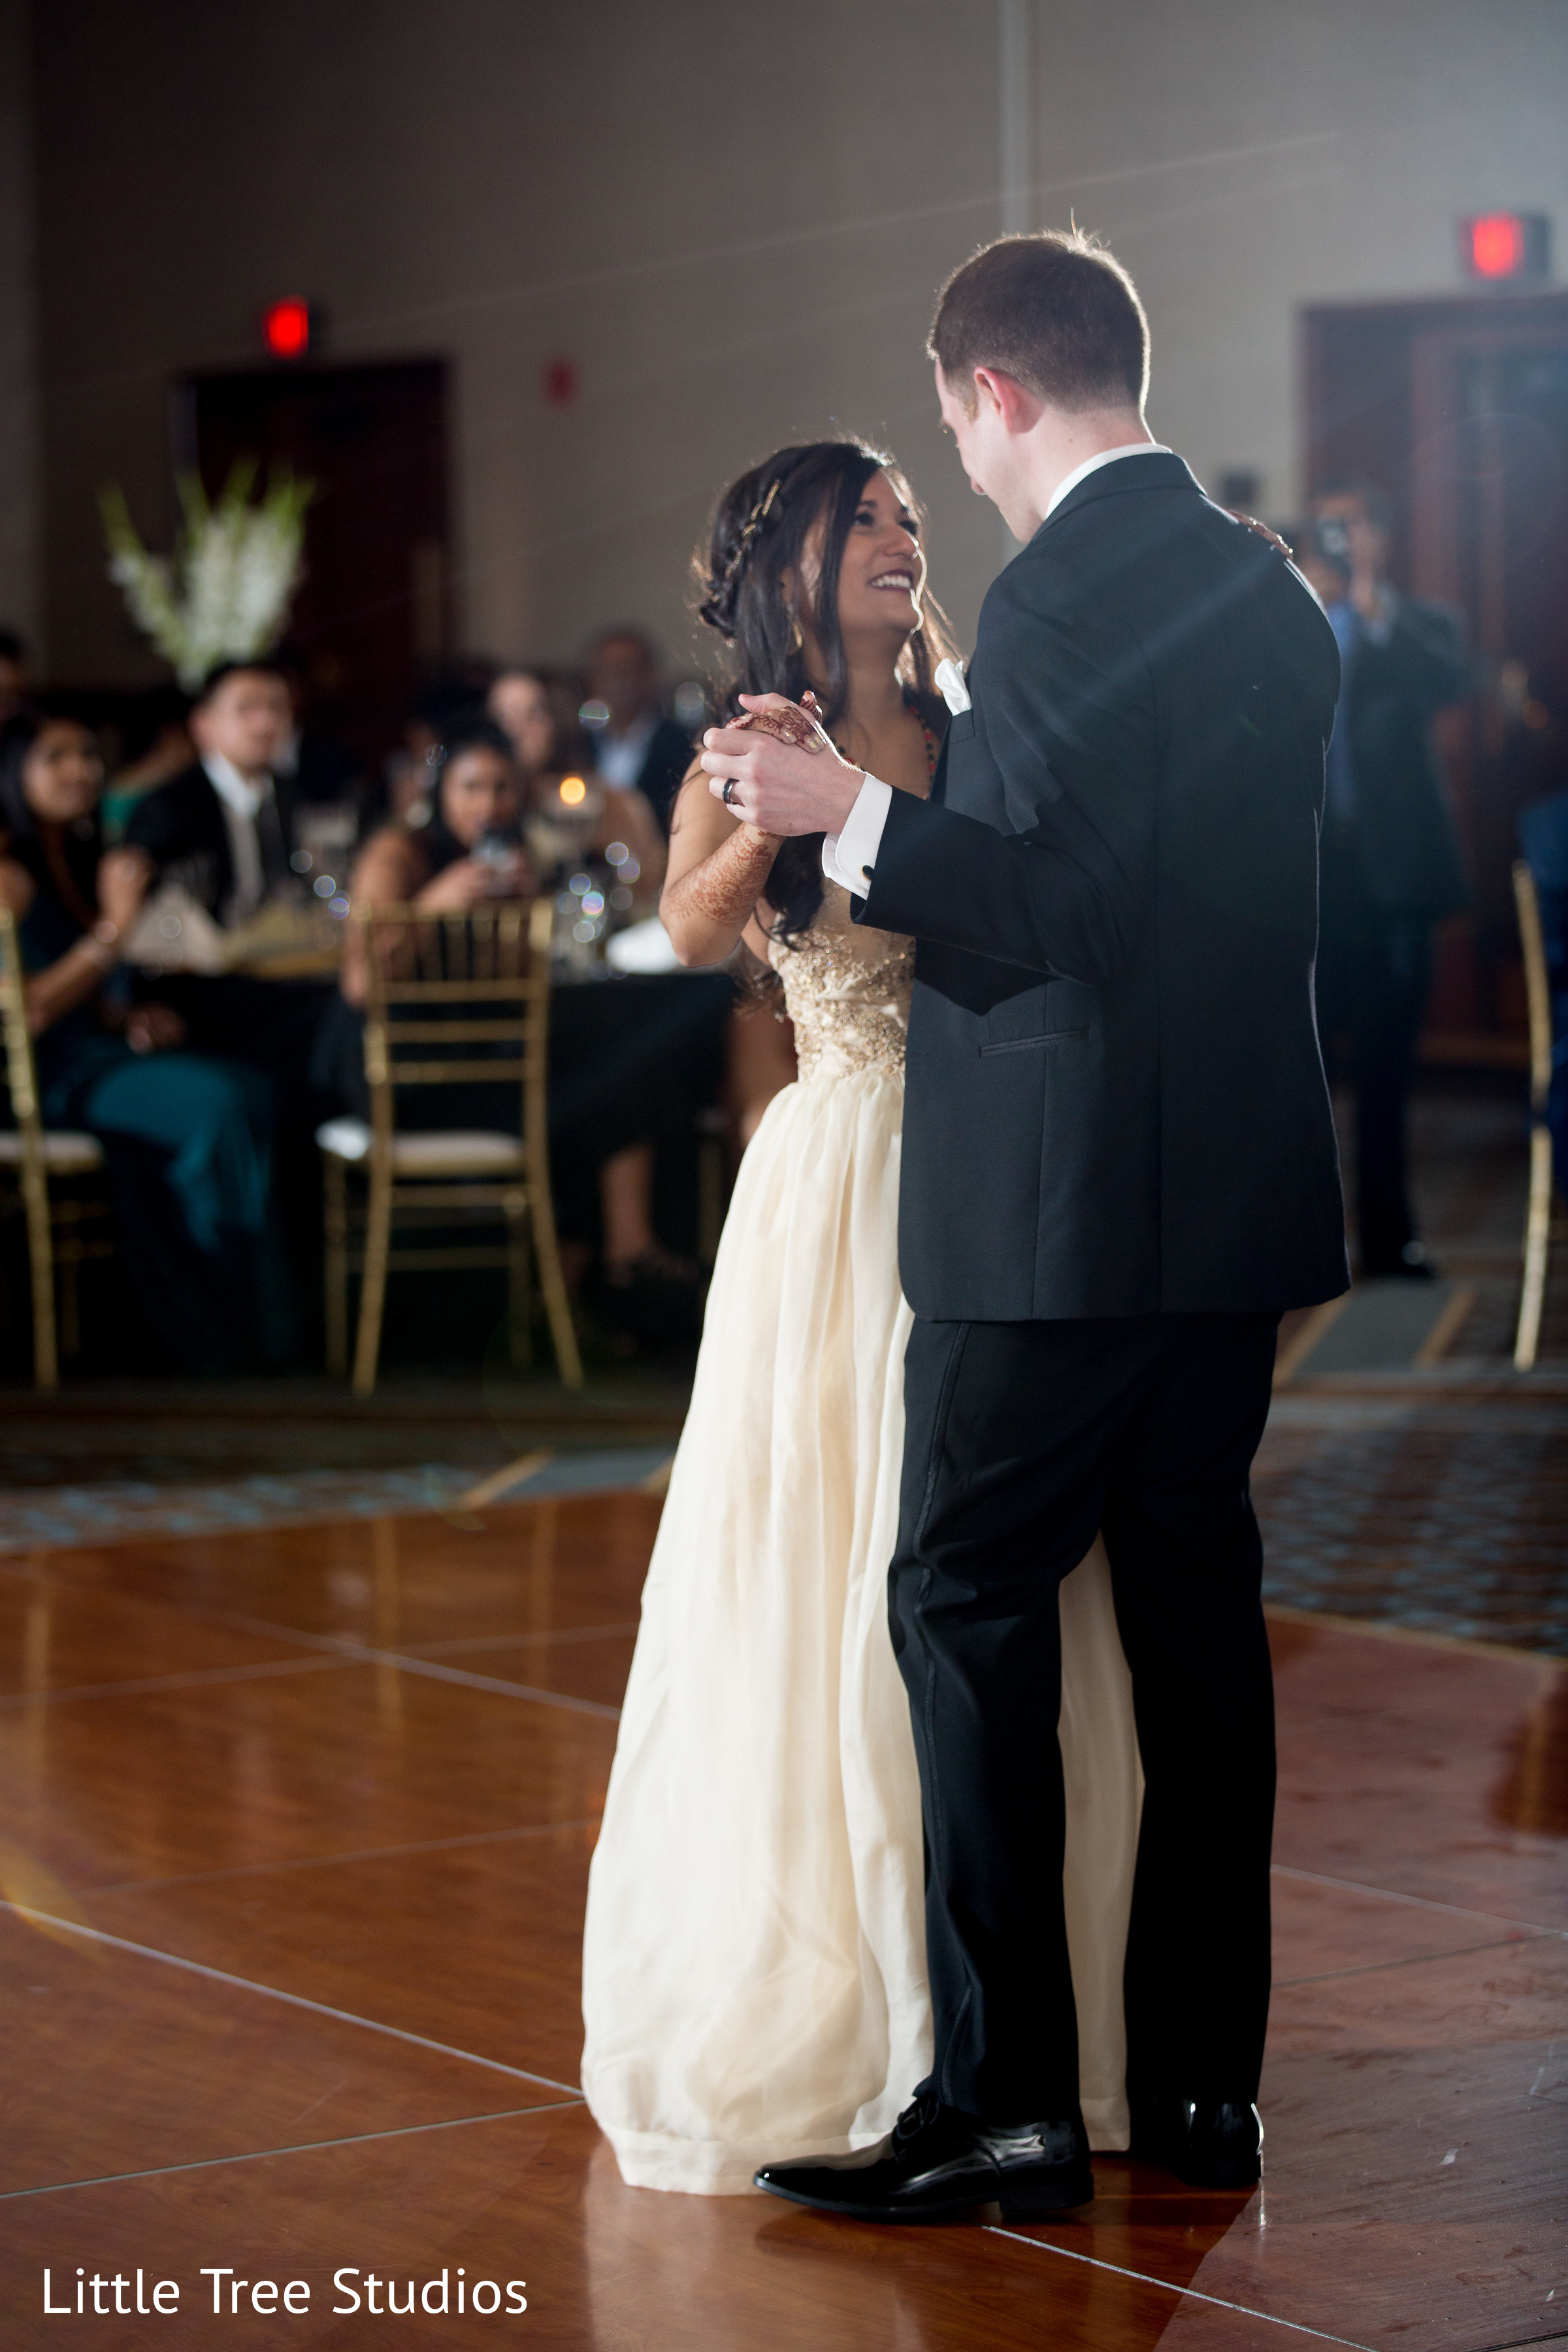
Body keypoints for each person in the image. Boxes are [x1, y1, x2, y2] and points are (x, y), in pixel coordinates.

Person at [700, 230, 1348, 2219]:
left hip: (1058, 1220)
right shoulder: (1273, 591)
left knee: (961, 1604)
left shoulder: (1058, 594)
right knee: (1189, 1629)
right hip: (1229, 1202)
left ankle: (1000, 2108)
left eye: (946, 431)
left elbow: (1067, 905)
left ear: (988, 394)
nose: (950, 480)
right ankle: (1199, 2094)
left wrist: (853, 823)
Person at [580, 439, 1145, 2195]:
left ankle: (1022, 2032)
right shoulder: (747, 742)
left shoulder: (981, 718)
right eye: (868, 519)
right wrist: (767, 817)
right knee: (826, 1551)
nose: (906, 538)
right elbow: (680, 935)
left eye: (914, 512)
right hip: (832, 1178)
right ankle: (862, 2007)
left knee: (976, 1571)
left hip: (989, 1156)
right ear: (795, 561)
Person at [331, 718, 722, 1327]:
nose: (488, 803)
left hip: (484, 1061)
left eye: (501, 787)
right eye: (471, 787)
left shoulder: (514, 860)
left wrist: (520, 912)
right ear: (441, 791)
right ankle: (604, 1269)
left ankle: (590, 1279)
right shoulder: (398, 852)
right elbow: (359, 983)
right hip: (401, 1072)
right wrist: (437, 903)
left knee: (621, 1063)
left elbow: (527, 981)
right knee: (600, 1081)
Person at [0, 717, 291, 1371]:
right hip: (43, 1075)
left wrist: (123, 1016)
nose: (80, 770)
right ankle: (207, 1331)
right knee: (214, 1102)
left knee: (254, 1086)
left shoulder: (83, 857)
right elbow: (32, 1005)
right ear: (14, 774)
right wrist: (115, 928)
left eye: (87, 753)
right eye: (56, 758)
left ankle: (256, 1326)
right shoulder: (7, 874)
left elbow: (84, 992)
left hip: (97, 1052)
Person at [1296, 486, 1469, 1278]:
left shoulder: (1420, 623)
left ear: (1381, 539)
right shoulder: (1296, 620)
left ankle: (1391, 1236)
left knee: (1389, 1070)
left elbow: (1450, 684)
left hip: (1396, 881)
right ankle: (1304, 1239)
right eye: (1327, 526)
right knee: (1306, 1073)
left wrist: (1367, 603)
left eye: (1352, 525)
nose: (1339, 539)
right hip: (1314, 885)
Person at [486, 666, 665, 885]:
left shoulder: (605, 800)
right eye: (502, 716)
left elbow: (645, 878)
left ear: (558, 720)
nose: (515, 730)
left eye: (534, 715)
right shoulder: (482, 803)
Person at [582, 628, 699, 834]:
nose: (621, 681)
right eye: (610, 670)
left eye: (631, 669)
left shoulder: (683, 747)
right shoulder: (578, 746)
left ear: (651, 676)